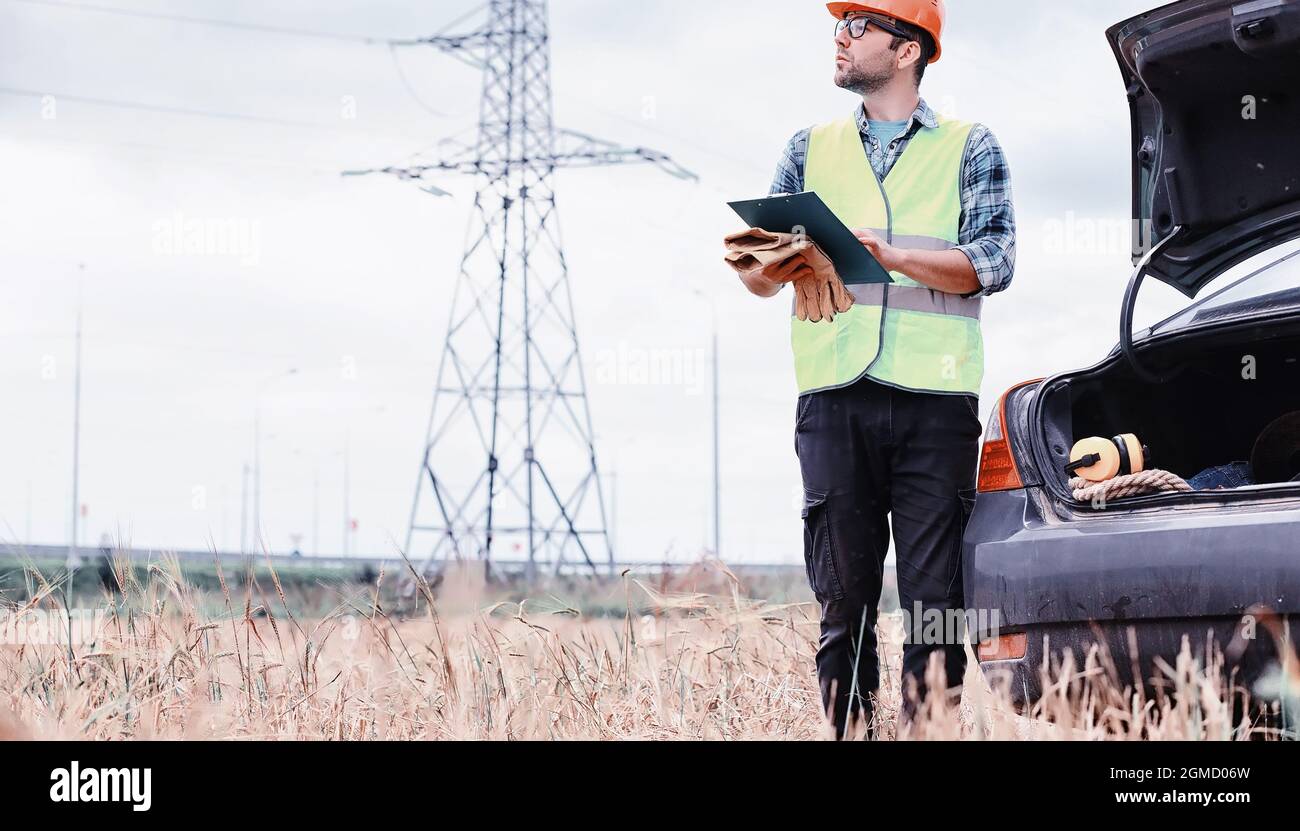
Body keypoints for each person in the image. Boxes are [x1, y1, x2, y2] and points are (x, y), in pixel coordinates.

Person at [759, 1, 1016, 737]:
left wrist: (896, 258)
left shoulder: (972, 145)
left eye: (856, 27)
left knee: (937, 604)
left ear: (908, 50)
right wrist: (779, 264)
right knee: (844, 603)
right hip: (835, 399)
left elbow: (993, 262)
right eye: (838, 26)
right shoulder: (808, 146)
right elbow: (755, 268)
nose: (838, 38)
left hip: (935, 401)